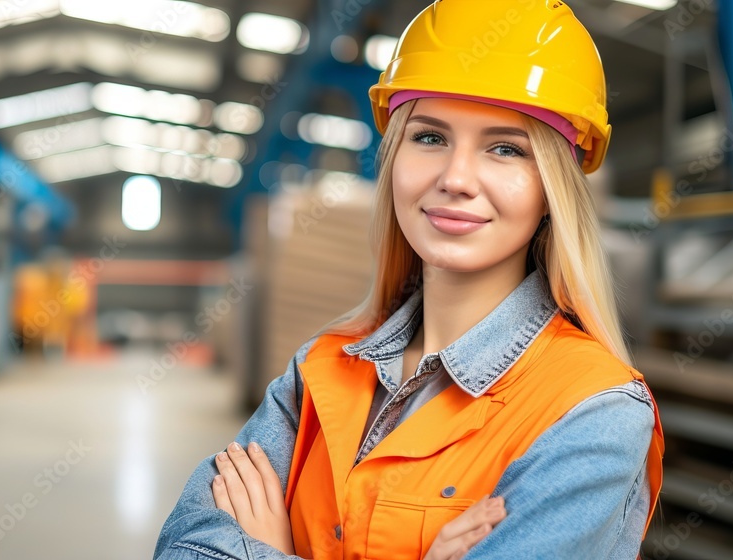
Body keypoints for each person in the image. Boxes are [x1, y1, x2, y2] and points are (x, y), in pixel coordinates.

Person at [154, 1, 664, 558]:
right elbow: (186, 547)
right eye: (429, 137)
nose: (456, 178)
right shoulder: (321, 370)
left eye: (505, 149)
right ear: (393, 157)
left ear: (552, 191)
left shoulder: (593, 411)